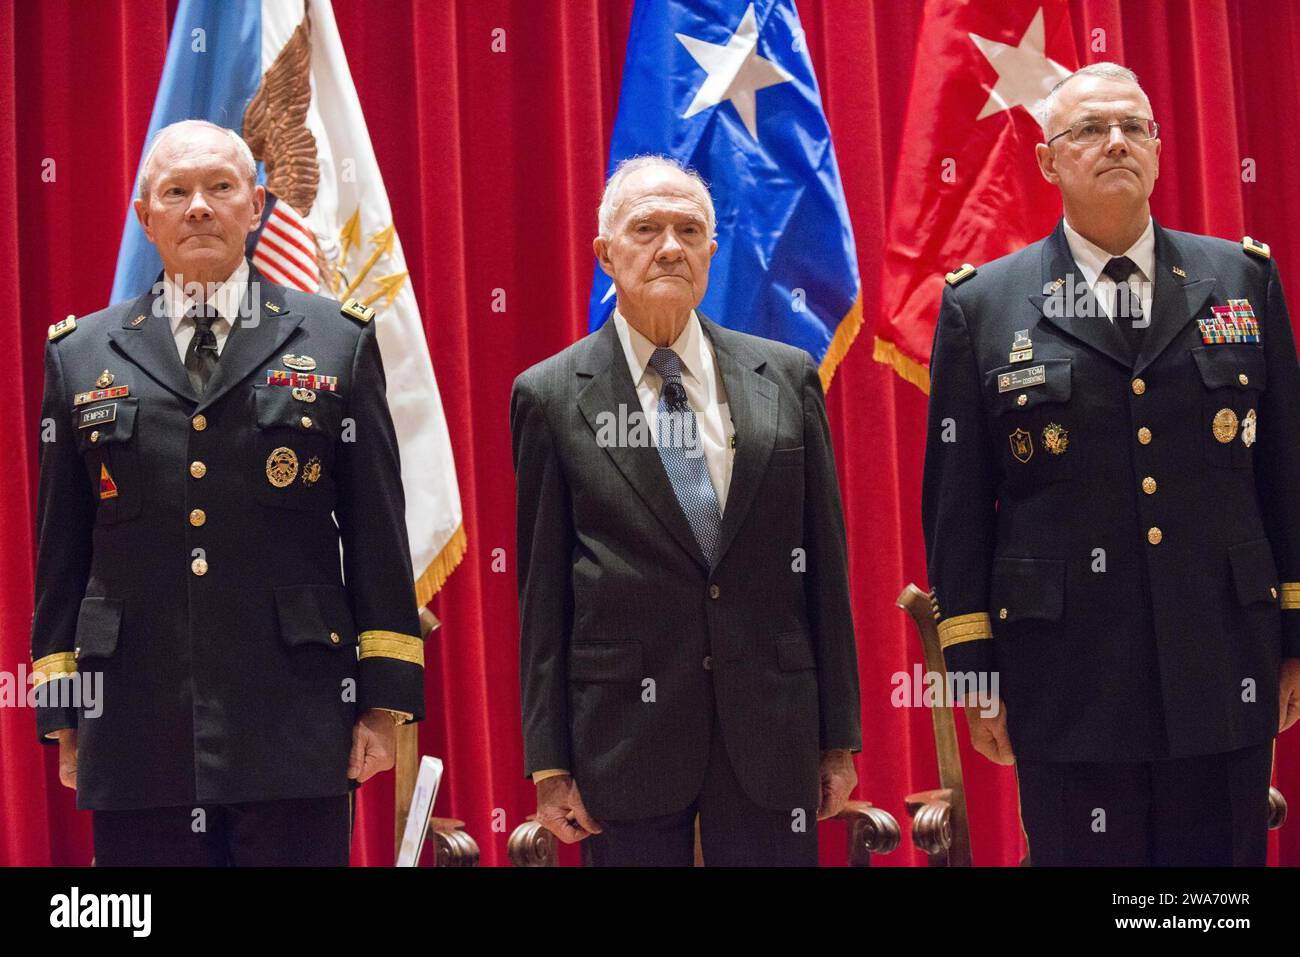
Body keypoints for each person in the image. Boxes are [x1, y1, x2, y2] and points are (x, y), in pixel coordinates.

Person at [923, 63, 1300, 865]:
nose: (1116, 143)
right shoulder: (983, 303)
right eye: (1088, 130)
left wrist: (1296, 632)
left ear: (1160, 152)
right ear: (1048, 162)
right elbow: (957, 511)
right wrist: (970, 675)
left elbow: (1286, 473)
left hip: (1221, 656)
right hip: (1065, 674)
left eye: (1134, 127)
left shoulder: (1242, 279)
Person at [30, 119, 424, 866]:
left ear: (259, 206)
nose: (199, 206)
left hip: (295, 713)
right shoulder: (80, 354)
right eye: (175, 192)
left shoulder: (335, 340)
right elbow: (61, 550)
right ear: (146, 218)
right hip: (137, 718)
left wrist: (382, 701)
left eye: (220, 187)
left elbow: (377, 532)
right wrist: (62, 711)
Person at [510, 155, 861, 866]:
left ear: (711, 250)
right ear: (605, 253)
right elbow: (542, 592)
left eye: (688, 229)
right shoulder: (550, 394)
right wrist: (550, 763)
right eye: (646, 228)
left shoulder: (786, 377)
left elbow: (825, 566)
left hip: (770, 729)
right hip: (624, 739)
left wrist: (839, 736)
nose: (669, 246)